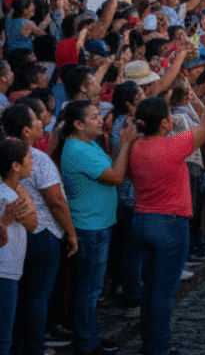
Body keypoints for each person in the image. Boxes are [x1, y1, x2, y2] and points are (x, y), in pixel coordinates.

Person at [126, 69, 205, 355]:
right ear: (166, 122)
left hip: (142, 220)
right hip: (169, 224)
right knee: (164, 292)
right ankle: (159, 347)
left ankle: (150, 342)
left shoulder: (133, 147)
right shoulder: (172, 145)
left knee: (151, 288)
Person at [55, 99, 135, 355]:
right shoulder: (79, 149)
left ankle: (90, 337)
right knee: (90, 288)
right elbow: (115, 176)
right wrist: (125, 144)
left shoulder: (87, 143)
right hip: (90, 226)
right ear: (78, 124)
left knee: (92, 287)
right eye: (93, 117)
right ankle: (87, 342)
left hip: (98, 223)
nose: (100, 120)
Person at [1, 104, 75, 355]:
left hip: (18, 235)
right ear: (24, 129)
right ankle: (34, 347)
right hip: (41, 233)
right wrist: (71, 232)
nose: (42, 122)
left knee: (18, 295)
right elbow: (56, 200)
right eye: (36, 119)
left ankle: (18, 343)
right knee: (38, 294)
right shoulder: (34, 157)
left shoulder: (7, 153)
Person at [0, 137, 35, 355]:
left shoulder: (10, 191)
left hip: (9, 270)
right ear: (15, 165)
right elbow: (33, 223)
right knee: (3, 338)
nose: (33, 162)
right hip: (5, 271)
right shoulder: (9, 196)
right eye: (29, 158)